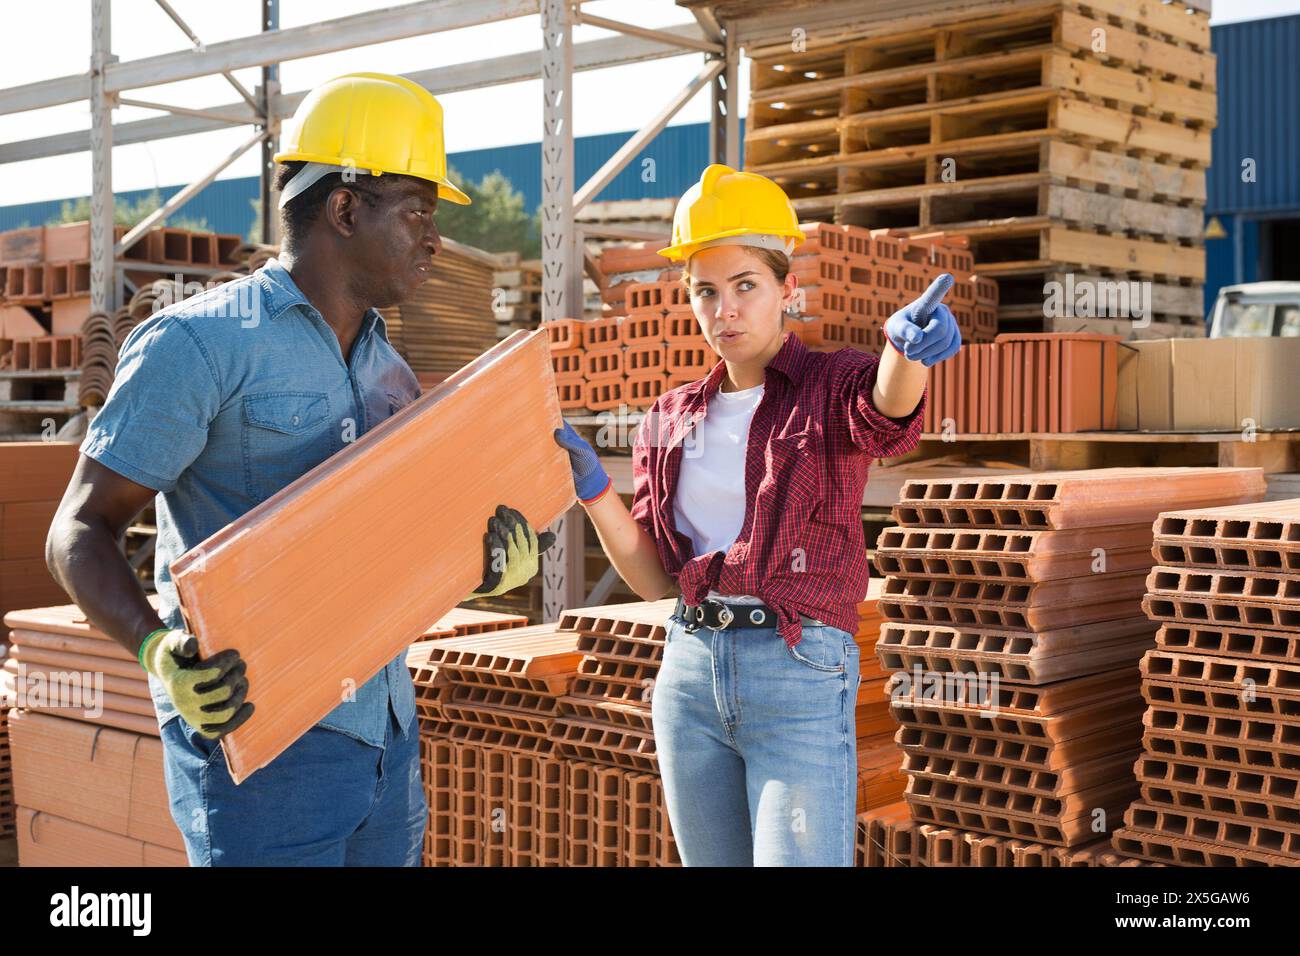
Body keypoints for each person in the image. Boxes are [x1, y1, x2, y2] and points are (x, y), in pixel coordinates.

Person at [46, 73, 552, 867]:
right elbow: (78, 529)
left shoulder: (391, 370)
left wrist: (475, 568)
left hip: (384, 735)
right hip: (263, 746)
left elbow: (388, 552)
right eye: (418, 211)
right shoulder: (201, 344)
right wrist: (157, 653)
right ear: (345, 209)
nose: (435, 239)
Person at [553, 164, 960, 866]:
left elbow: (886, 413)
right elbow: (655, 580)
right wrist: (593, 493)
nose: (725, 310)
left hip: (796, 668)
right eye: (706, 292)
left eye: (746, 286)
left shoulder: (830, 385)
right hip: (687, 673)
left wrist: (906, 351)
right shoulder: (671, 416)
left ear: (786, 290)